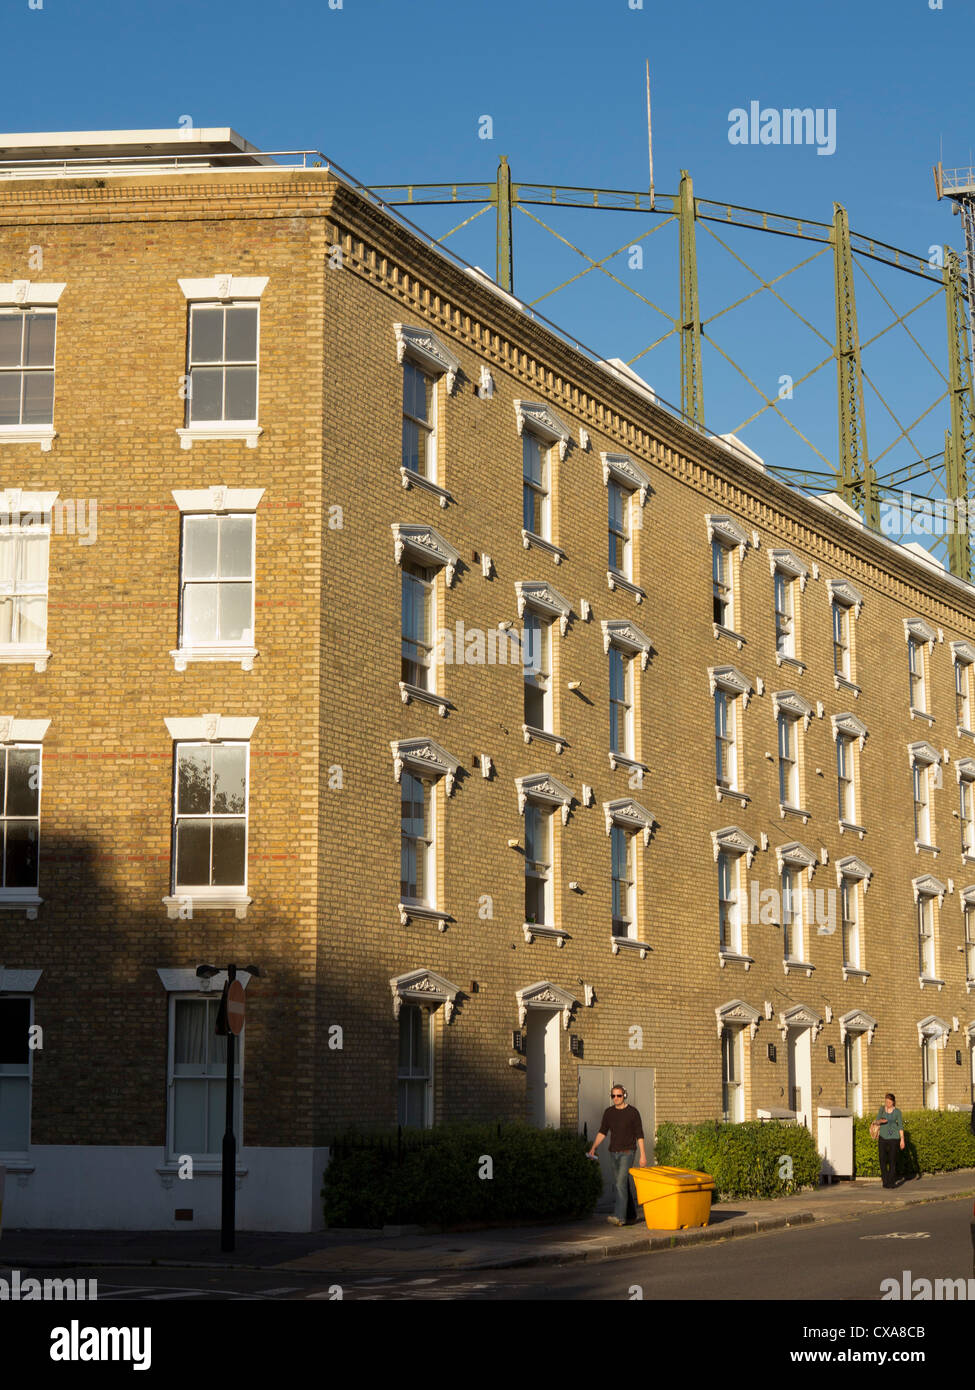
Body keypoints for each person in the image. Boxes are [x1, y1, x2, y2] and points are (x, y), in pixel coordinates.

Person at [588, 1085, 647, 1225]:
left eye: (619, 1096)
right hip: (613, 1153)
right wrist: (593, 1148)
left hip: (628, 1152)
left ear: (624, 1095)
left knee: (620, 1184)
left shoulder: (633, 1112)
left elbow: (639, 1134)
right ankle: (631, 1215)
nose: (616, 1098)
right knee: (623, 1184)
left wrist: (643, 1155)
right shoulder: (608, 1112)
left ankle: (619, 1217)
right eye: (613, 1096)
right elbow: (603, 1131)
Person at [874, 1092, 904, 1189]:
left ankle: (891, 1181)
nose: (887, 1103)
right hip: (882, 1137)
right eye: (886, 1101)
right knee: (882, 1159)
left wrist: (902, 1140)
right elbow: (876, 1121)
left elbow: (900, 1126)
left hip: (894, 1137)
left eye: (889, 1102)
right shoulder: (882, 1109)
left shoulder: (897, 1112)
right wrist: (880, 1121)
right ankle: (885, 1181)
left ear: (893, 1102)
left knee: (892, 1159)